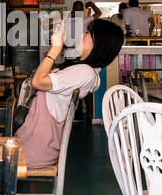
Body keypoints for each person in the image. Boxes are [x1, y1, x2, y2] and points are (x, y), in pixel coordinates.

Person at [19, 17, 125, 168]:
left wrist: (55, 48)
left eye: (88, 33)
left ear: (100, 43)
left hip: (32, 150)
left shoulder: (85, 73)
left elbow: (38, 82)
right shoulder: (82, 70)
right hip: (29, 143)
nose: (82, 35)